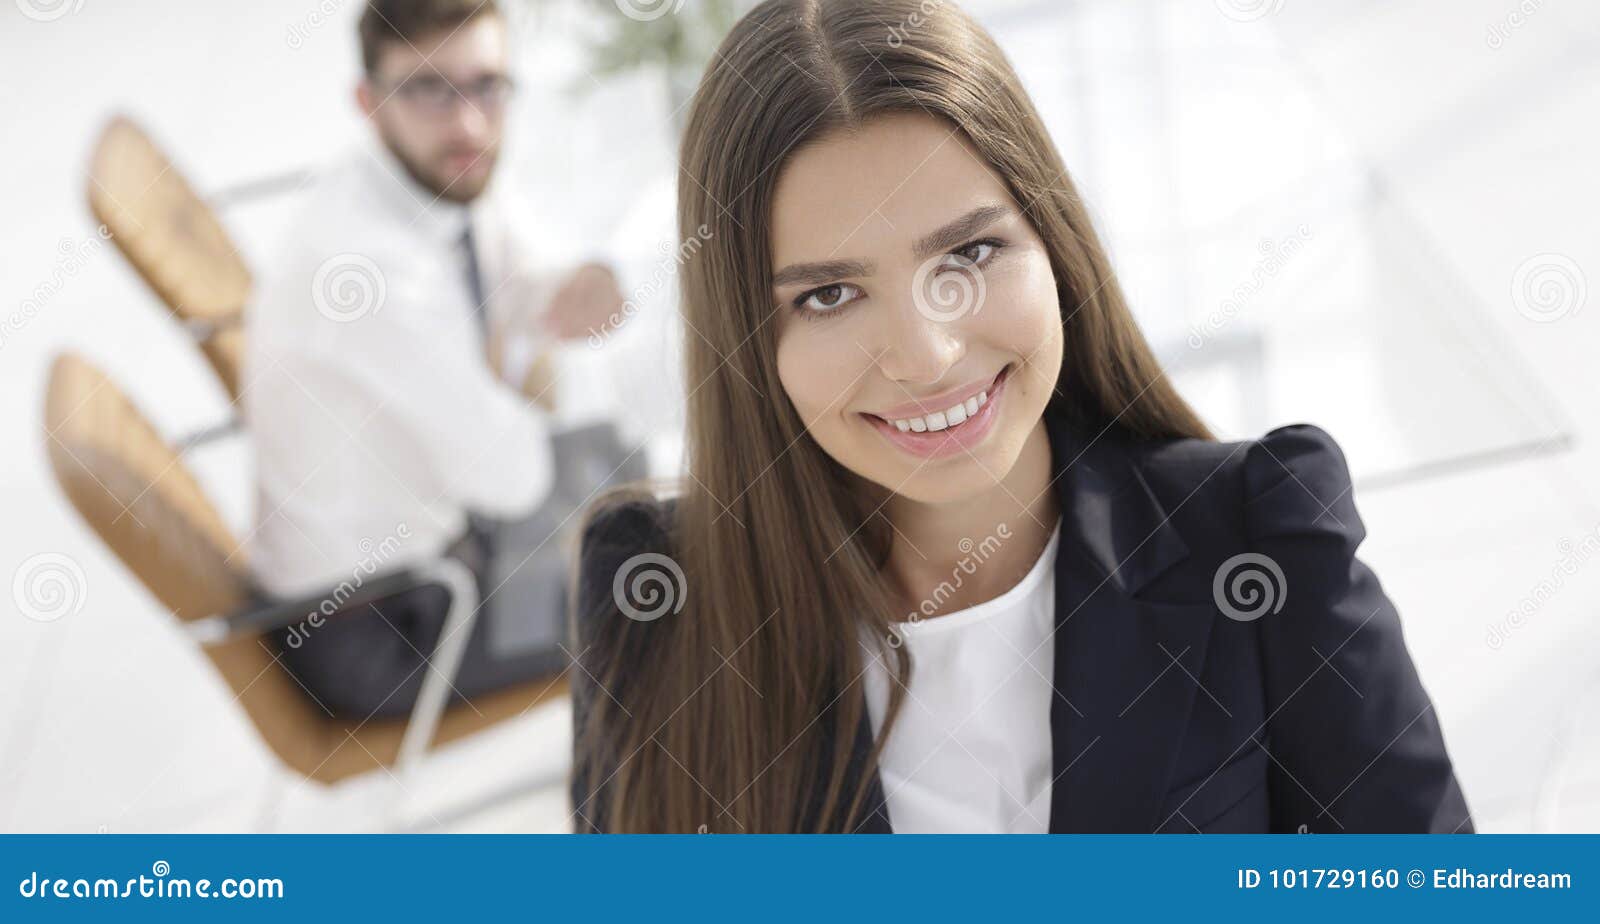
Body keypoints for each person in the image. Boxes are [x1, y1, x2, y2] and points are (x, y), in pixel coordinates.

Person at [568, 0, 1473, 833]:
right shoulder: (654, 596)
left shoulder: (1256, 533)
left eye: (971, 251)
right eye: (831, 294)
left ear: (1054, 244)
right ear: (746, 337)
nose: (925, 356)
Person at [246, 0, 624, 719]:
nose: (468, 123)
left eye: (487, 85)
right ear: (367, 100)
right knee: (690, 584)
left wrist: (564, 291)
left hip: (429, 559)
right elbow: (510, 481)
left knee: (659, 498)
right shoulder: (368, 273)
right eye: (426, 88)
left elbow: (512, 269)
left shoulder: (420, 176)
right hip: (386, 627)